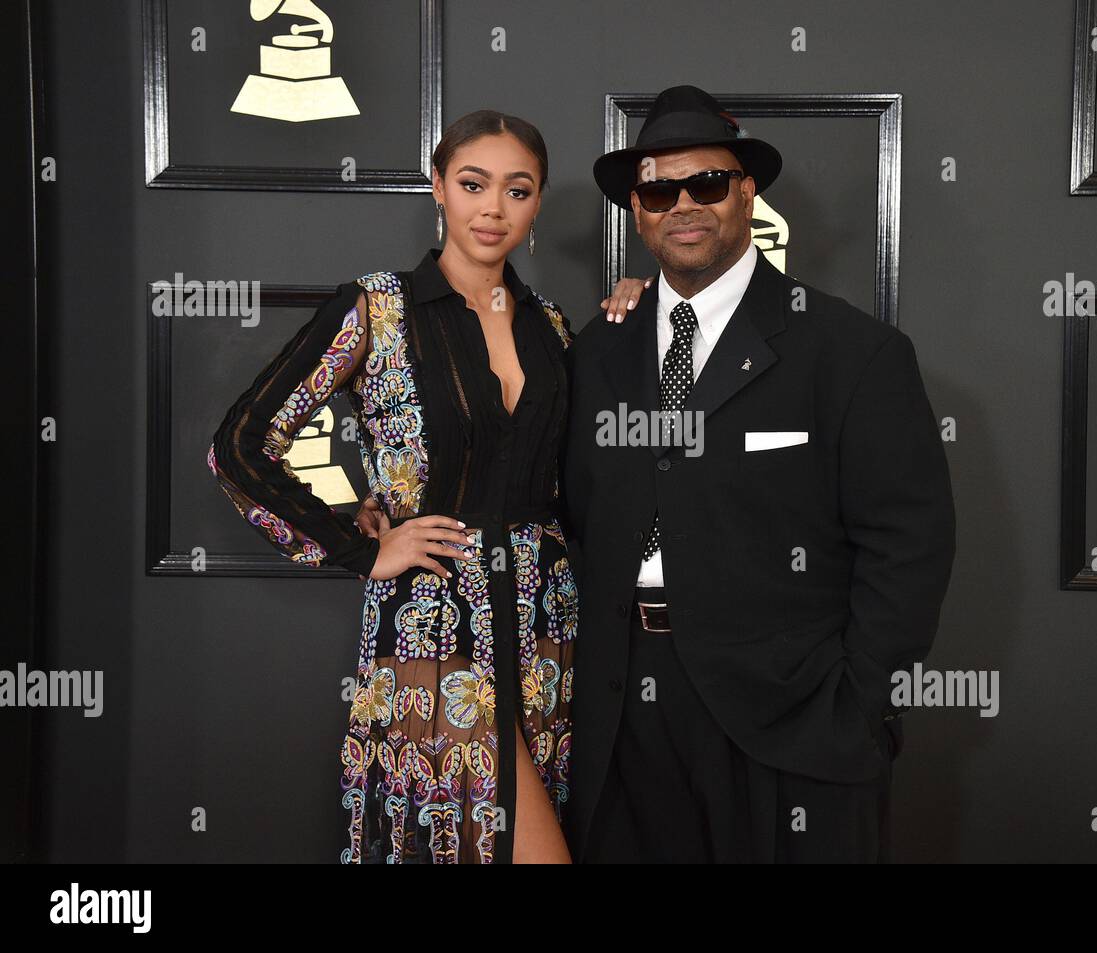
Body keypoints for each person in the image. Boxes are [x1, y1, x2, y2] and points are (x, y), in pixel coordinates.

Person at [208, 109, 649, 864]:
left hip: (549, 622)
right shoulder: (376, 309)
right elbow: (240, 448)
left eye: (518, 189)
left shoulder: (553, 325)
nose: (493, 208)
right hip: (435, 622)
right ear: (438, 186)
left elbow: (591, 467)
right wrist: (357, 547)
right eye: (474, 184)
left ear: (537, 204)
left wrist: (643, 309)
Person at [561, 85, 958, 863]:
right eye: (657, 189)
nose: (683, 205)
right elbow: (568, 510)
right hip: (621, 714)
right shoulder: (596, 351)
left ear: (747, 191)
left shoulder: (851, 351)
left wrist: (855, 702)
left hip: (788, 715)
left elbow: (909, 545)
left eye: (707, 183)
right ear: (636, 211)